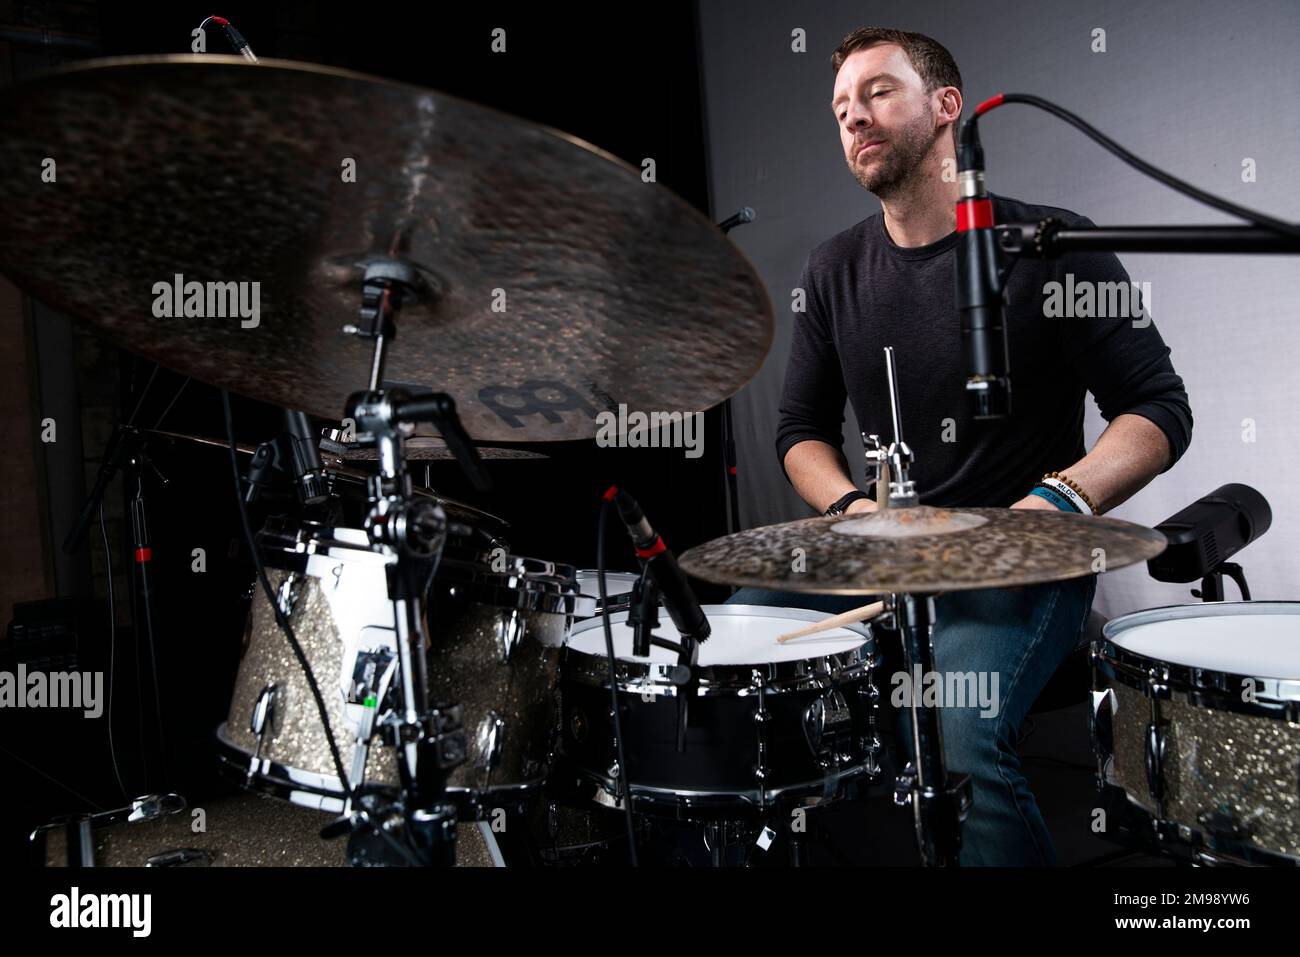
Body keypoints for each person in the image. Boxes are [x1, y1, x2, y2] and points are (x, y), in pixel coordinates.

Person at [729, 27, 1192, 865]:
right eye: (841, 109)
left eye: (876, 92)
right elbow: (799, 433)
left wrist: (1054, 504)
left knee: (954, 725)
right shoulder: (834, 269)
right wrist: (853, 510)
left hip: (1025, 559)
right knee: (737, 646)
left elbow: (1157, 410)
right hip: (887, 555)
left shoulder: (1048, 246)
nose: (855, 119)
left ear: (948, 107)